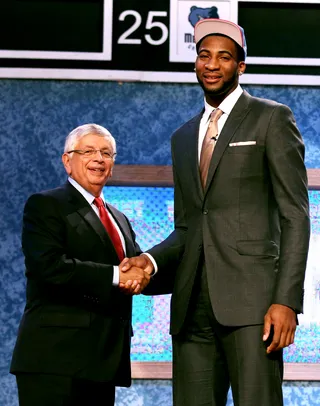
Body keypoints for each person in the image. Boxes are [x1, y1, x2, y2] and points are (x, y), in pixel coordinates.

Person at [121, 18, 310, 406]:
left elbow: (296, 215)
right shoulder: (183, 136)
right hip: (192, 309)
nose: (211, 64)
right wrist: (149, 262)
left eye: (224, 57)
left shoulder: (271, 118)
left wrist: (287, 300)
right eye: (204, 55)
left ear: (240, 67)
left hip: (254, 307)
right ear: (195, 63)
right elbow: (188, 227)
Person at [10, 123, 151, 406]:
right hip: (54, 360)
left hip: (103, 362)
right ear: (67, 161)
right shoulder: (46, 205)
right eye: (88, 151)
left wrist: (149, 269)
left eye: (106, 153)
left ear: (112, 164)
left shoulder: (119, 218)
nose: (99, 159)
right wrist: (116, 276)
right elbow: (48, 266)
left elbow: (133, 271)